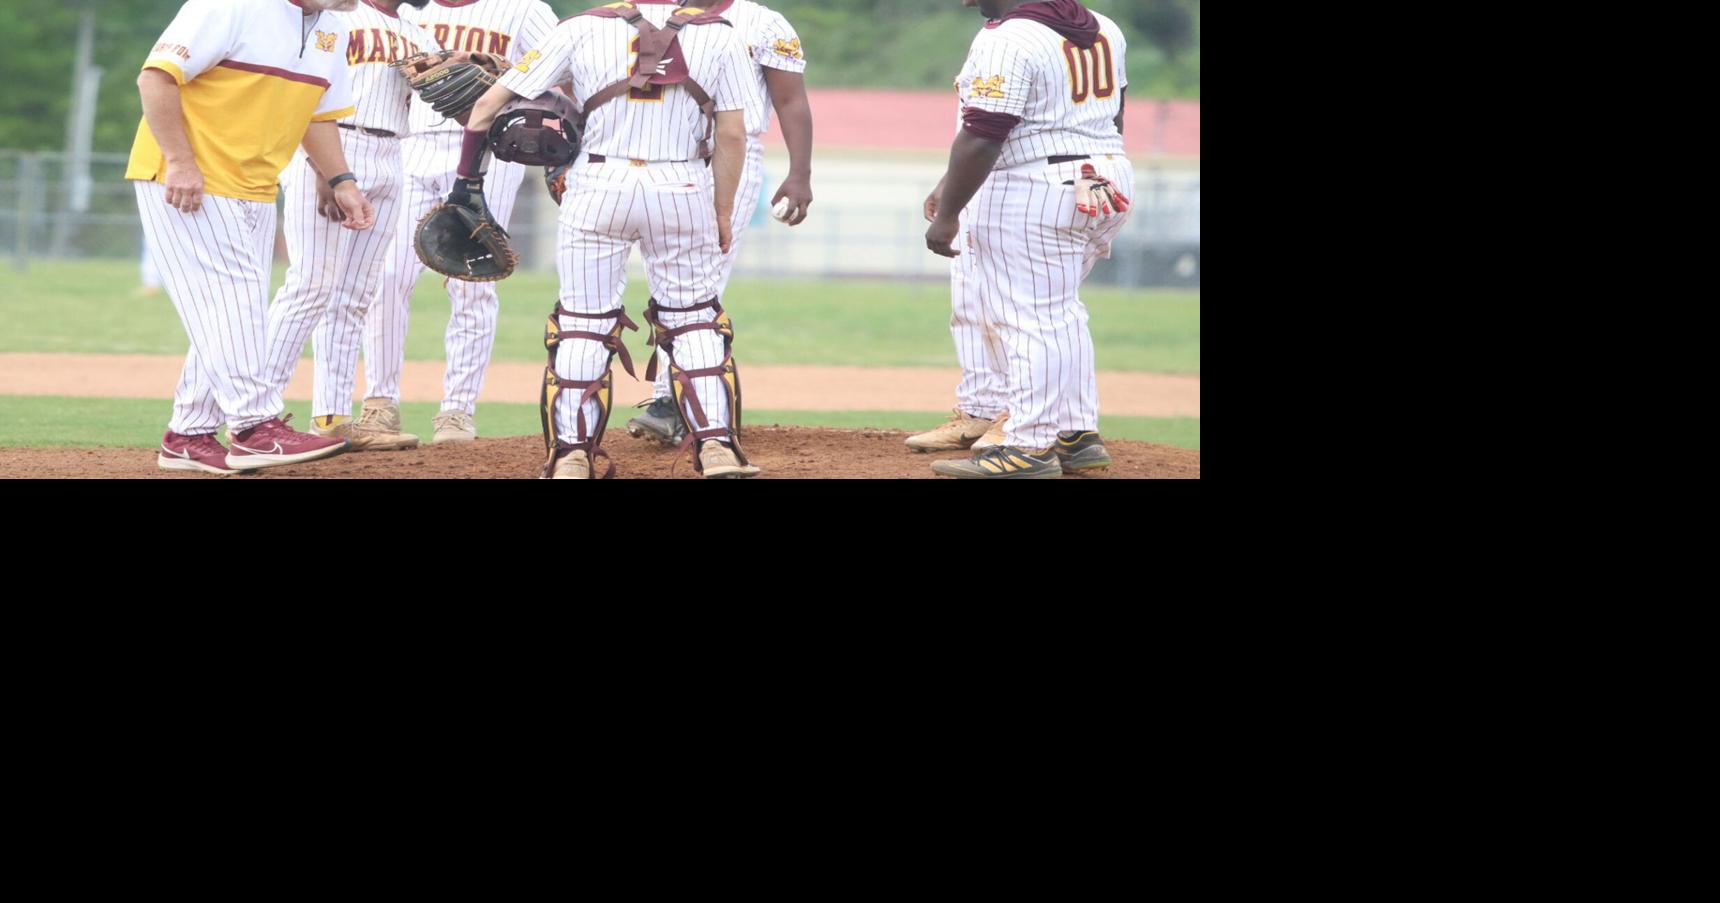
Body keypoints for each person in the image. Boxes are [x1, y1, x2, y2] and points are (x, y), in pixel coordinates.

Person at [463, 0, 753, 479]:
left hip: (598, 183)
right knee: (693, 317)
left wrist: (465, 185)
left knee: (583, 319)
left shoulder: (580, 27)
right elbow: (734, 135)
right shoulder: (720, 33)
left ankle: (573, 455)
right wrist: (722, 211)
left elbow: (485, 107)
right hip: (681, 185)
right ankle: (716, 446)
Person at [132, 0, 377, 475]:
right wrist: (180, 161)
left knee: (230, 307)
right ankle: (254, 427)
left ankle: (189, 434)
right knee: (232, 302)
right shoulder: (230, 6)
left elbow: (318, 114)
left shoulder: (333, 28)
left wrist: (340, 180)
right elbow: (156, 78)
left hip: (257, 184)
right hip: (192, 178)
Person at [923, 0, 1131, 479]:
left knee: (1029, 319)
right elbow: (1116, 113)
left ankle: (1028, 446)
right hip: (1105, 173)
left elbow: (983, 134)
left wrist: (949, 214)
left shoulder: (1006, 38)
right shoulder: (1104, 26)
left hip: (1036, 185)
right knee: (1059, 313)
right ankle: (1075, 434)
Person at [361, 0, 559, 445]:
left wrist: (506, 71)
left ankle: (457, 410)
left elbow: (560, 73)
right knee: (388, 276)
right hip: (411, 146)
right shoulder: (408, 15)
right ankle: (379, 404)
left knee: (473, 283)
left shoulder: (523, 10)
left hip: (491, 150)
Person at [624, 0, 815, 448]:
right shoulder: (643, 11)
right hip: (662, 152)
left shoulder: (763, 21)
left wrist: (800, 172)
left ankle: (672, 401)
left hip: (734, 154)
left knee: (703, 278)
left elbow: (791, 99)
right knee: (664, 281)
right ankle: (682, 394)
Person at [262, 0, 436, 453]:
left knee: (355, 296)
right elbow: (305, 91)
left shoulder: (418, 31)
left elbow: (450, 90)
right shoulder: (335, 18)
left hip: (392, 152)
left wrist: (462, 67)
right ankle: (254, 412)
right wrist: (324, 169)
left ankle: (332, 420)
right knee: (310, 285)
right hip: (333, 145)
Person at [906, 0, 1011, 455]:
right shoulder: (994, 33)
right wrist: (951, 185)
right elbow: (981, 124)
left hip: (1020, 181)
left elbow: (998, 130)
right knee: (969, 302)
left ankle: (1023, 417)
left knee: (1018, 313)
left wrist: (949, 211)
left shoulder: (1026, 37)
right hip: (981, 184)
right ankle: (980, 409)